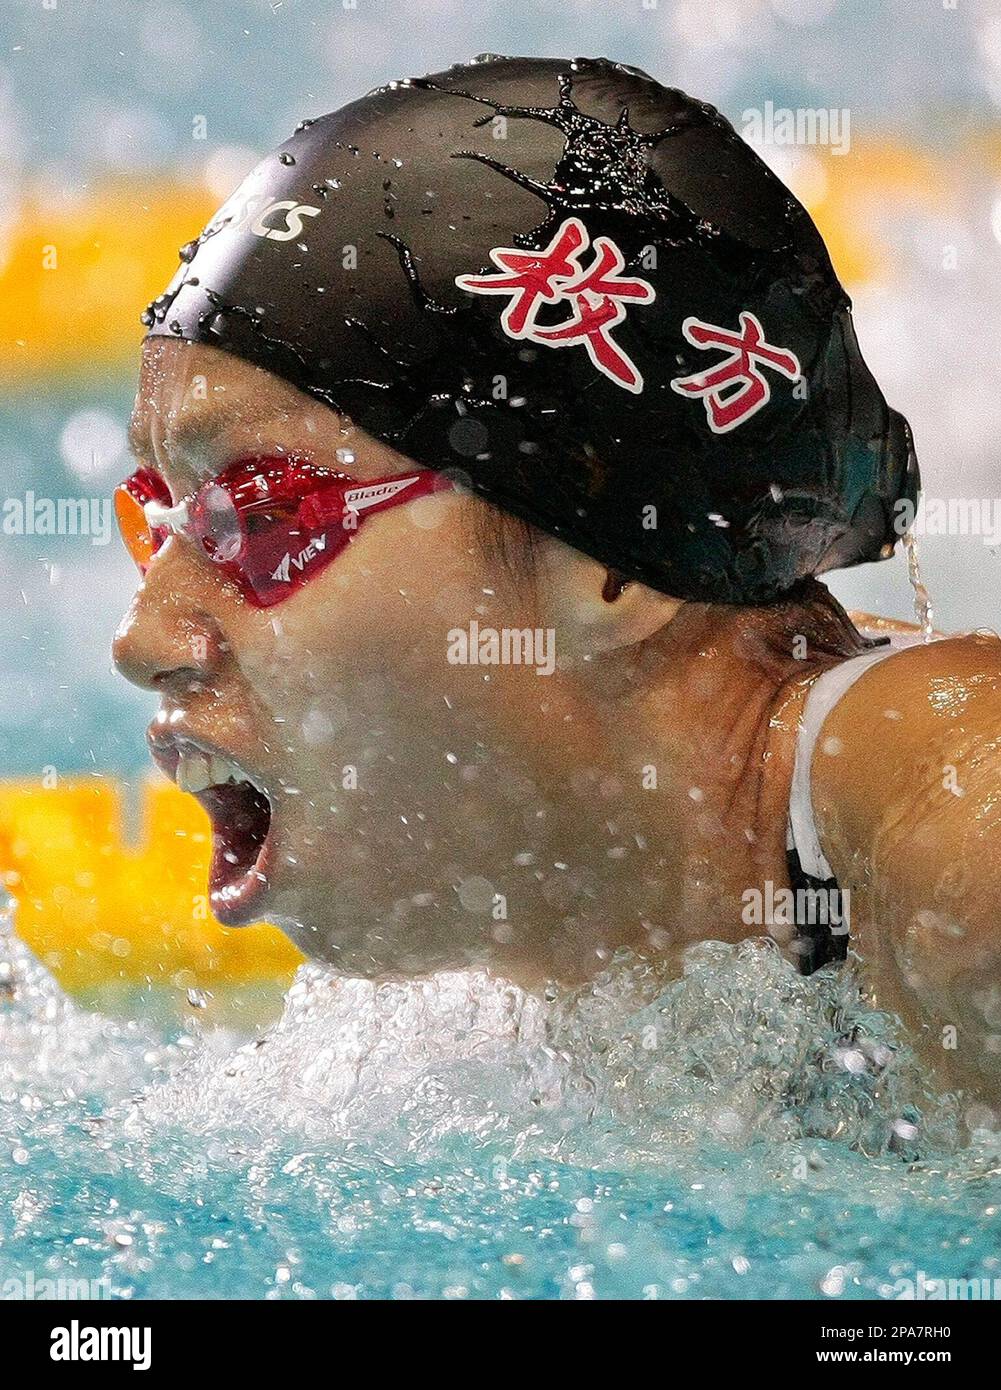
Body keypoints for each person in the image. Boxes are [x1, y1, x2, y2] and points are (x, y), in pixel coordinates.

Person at [112, 56, 1000, 1105]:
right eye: (159, 516)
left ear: (612, 560)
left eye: (258, 517)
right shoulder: (589, 967)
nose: (145, 639)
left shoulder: (952, 845)